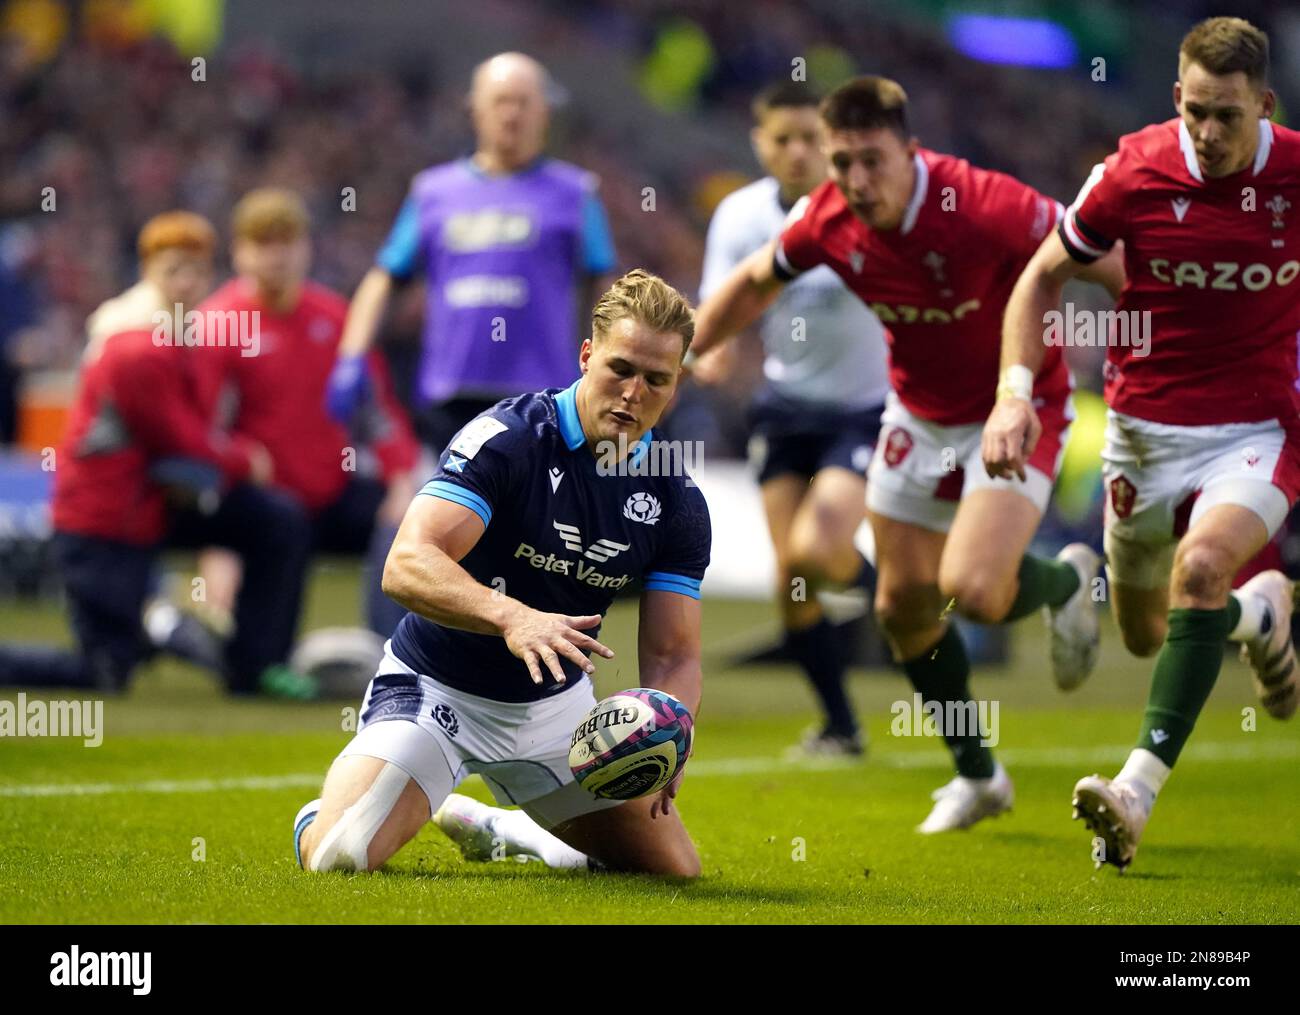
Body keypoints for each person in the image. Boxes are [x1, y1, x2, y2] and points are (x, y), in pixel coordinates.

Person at [692, 76, 1124, 833]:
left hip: (1015, 403)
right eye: (842, 163)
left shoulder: (984, 203)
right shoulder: (826, 216)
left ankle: (1061, 583)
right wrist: (687, 350)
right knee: (900, 605)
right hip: (917, 416)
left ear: (911, 151)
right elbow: (759, 277)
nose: (856, 182)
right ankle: (979, 775)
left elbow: (1099, 260)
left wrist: (1165, 346)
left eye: (872, 161)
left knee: (977, 591)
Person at [982, 16, 1300, 870]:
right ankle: (1262, 612)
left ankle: (1133, 791)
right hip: (1143, 432)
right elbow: (1039, 277)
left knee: (1201, 570)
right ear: (1176, 98)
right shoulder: (1131, 171)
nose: (1209, 132)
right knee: (1143, 629)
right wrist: (1015, 397)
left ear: (1263, 105)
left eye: (1228, 115)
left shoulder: (1297, 176)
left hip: (1258, 427)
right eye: (1196, 110)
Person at [293, 270, 710, 876]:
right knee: (339, 857)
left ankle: (509, 828)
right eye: (621, 368)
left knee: (670, 873)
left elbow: (675, 654)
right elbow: (407, 563)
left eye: (657, 379)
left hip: (558, 716)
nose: (633, 392)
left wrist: (674, 729)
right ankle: (326, 813)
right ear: (587, 355)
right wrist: (511, 616)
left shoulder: (676, 500)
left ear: (675, 387)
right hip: (436, 693)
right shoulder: (510, 440)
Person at [0, 211, 311, 695]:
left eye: (197, 269)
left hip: (147, 506)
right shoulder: (134, 342)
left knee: (277, 520)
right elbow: (180, 438)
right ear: (147, 271)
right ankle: (173, 633)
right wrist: (246, 460)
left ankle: (247, 664)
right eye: (173, 269)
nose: (187, 282)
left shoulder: (183, 331)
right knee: (106, 670)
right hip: (106, 522)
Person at [694, 81, 890, 757]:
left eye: (813, 137)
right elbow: (720, 302)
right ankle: (841, 725)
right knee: (795, 580)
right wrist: (710, 349)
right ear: (761, 143)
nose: (800, 151)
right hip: (782, 410)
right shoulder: (741, 216)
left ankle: (902, 595)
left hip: (863, 411)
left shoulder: (864, 204)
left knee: (817, 550)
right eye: (785, 139)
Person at [173, 190, 419, 682]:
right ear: (239, 252)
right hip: (262, 502)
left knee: (412, 519)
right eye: (263, 243)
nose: (277, 255)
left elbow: (378, 410)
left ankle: (397, 663)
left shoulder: (334, 318)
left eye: (287, 242)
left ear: (307, 248)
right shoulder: (218, 325)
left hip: (331, 489)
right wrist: (218, 542)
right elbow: (203, 431)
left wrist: (399, 481)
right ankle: (240, 657)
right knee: (255, 669)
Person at [325, 51, 618, 454]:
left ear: (545, 112)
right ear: (475, 109)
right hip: (448, 399)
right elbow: (385, 277)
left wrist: (610, 364)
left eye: (524, 102)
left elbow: (602, 288)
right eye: (501, 101)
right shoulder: (432, 193)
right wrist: (351, 354)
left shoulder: (577, 194)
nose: (512, 114)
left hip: (543, 401)